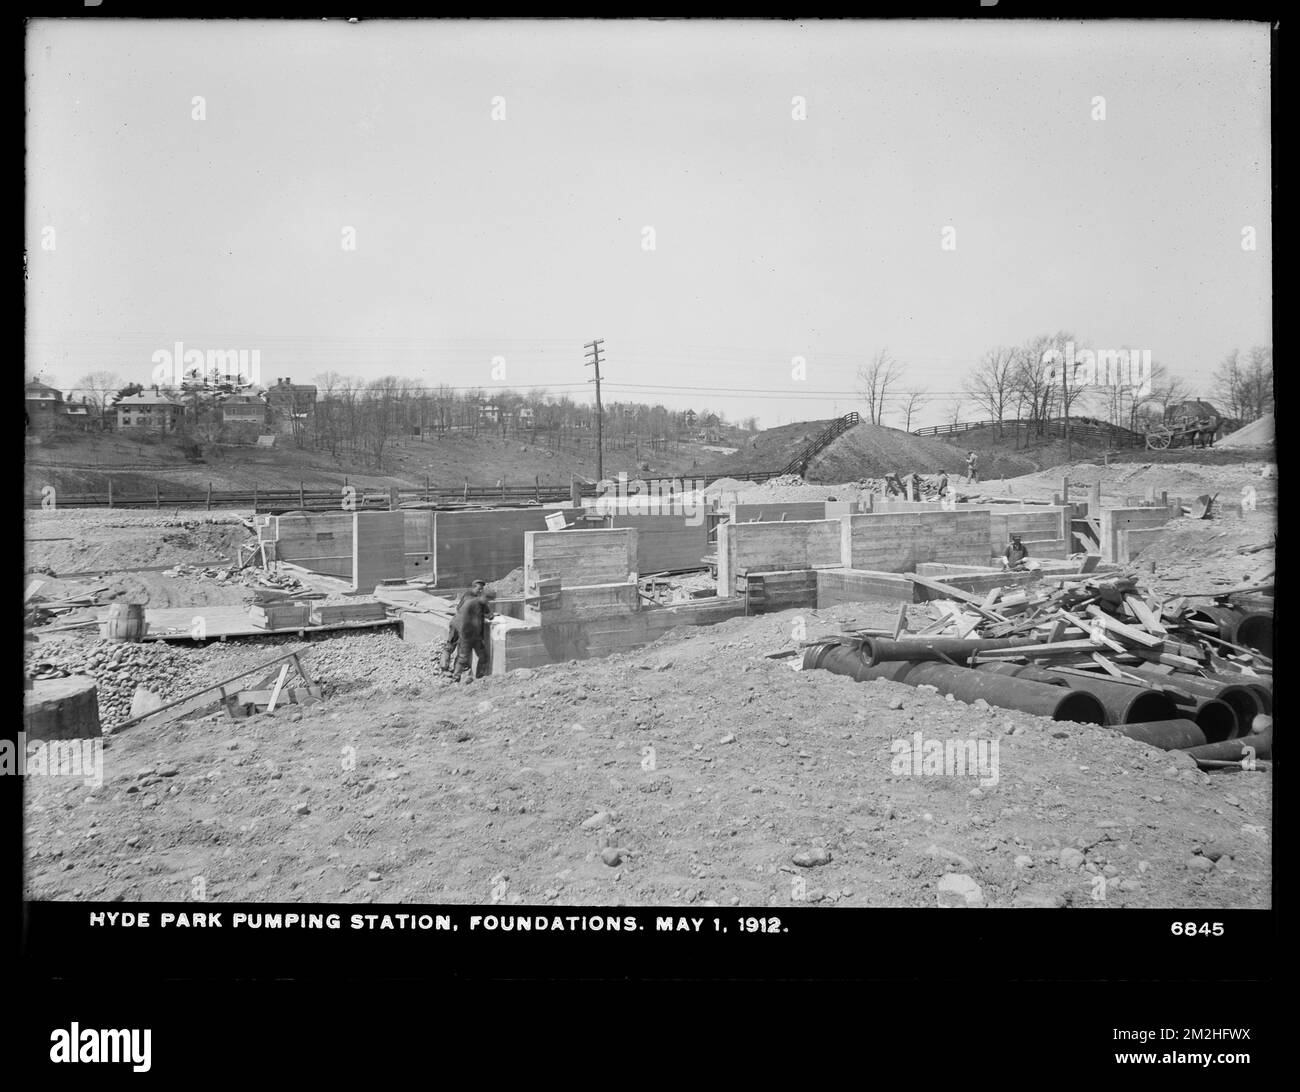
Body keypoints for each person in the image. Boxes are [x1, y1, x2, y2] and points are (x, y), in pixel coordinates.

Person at [440, 579, 486, 672]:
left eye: (482, 589)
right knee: (458, 647)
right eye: (479, 589)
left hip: (456, 622)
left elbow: (458, 608)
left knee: (451, 644)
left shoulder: (466, 595)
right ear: (473, 587)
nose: (480, 591)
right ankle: (451, 669)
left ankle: (444, 666)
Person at [451, 589, 496, 682]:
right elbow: (461, 620)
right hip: (467, 636)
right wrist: (463, 635)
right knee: (463, 658)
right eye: (488, 600)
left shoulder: (483, 605)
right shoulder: (470, 604)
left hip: (477, 638)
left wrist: (489, 615)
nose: (488, 602)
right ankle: (456, 678)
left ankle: (479, 677)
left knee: (483, 657)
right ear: (483, 596)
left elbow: (486, 614)